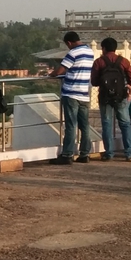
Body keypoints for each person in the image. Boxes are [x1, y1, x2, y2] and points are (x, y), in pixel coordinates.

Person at [90, 37, 131, 162]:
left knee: (107, 124)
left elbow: (93, 82)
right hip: (120, 96)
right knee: (125, 124)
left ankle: (109, 153)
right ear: (116, 48)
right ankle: (129, 153)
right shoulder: (124, 61)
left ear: (103, 48)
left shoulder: (99, 62)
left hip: (105, 97)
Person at [52, 31, 94, 164]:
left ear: (69, 43)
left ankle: (67, 155)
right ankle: (84, 153)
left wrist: (52, 75)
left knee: (71, 125)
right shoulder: (89, 51)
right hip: (84, 94)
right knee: (84, 125)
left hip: (71, 93)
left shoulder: (73, 53)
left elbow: (60, 70)